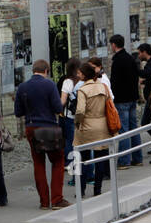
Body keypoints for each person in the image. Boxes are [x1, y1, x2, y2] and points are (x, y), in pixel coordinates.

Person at [14, 59, 69, 210]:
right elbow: (58, 107)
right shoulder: (50, 84)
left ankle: (44, 202)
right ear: (46, 71)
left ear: (33, 71)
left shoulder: (22, 87)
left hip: (31, 127)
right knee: (58, 161)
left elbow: (18, 112)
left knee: (38, 164)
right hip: (49, 126)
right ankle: (57, 199)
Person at [73, 61, 112, 194]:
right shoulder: (102, 87)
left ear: (84, 75)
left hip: (86, 126)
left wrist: (77, 123)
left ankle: (81, 189)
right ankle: (97, 189)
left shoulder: (82, 90)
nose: (78, 75)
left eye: (79, 73)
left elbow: (80, 111)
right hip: (102, 125)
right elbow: (109, 104)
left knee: (82, 159)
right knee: (100, 159)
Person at [108, 34, 143, 166]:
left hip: (121, 99)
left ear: (114, 45)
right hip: (132, 97)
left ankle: (124, 160)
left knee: (124, 130)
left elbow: (115, 82)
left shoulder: (117, 61)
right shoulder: (130, 58)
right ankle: (138, 158)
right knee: (134, 128)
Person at [60, 57, 82, 171]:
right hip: (82, 115)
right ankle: (83, 163)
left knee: (70, 140)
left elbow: (63, 101)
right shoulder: (83, 80)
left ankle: (70, 163)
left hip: (70, 115)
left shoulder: (67, 82)